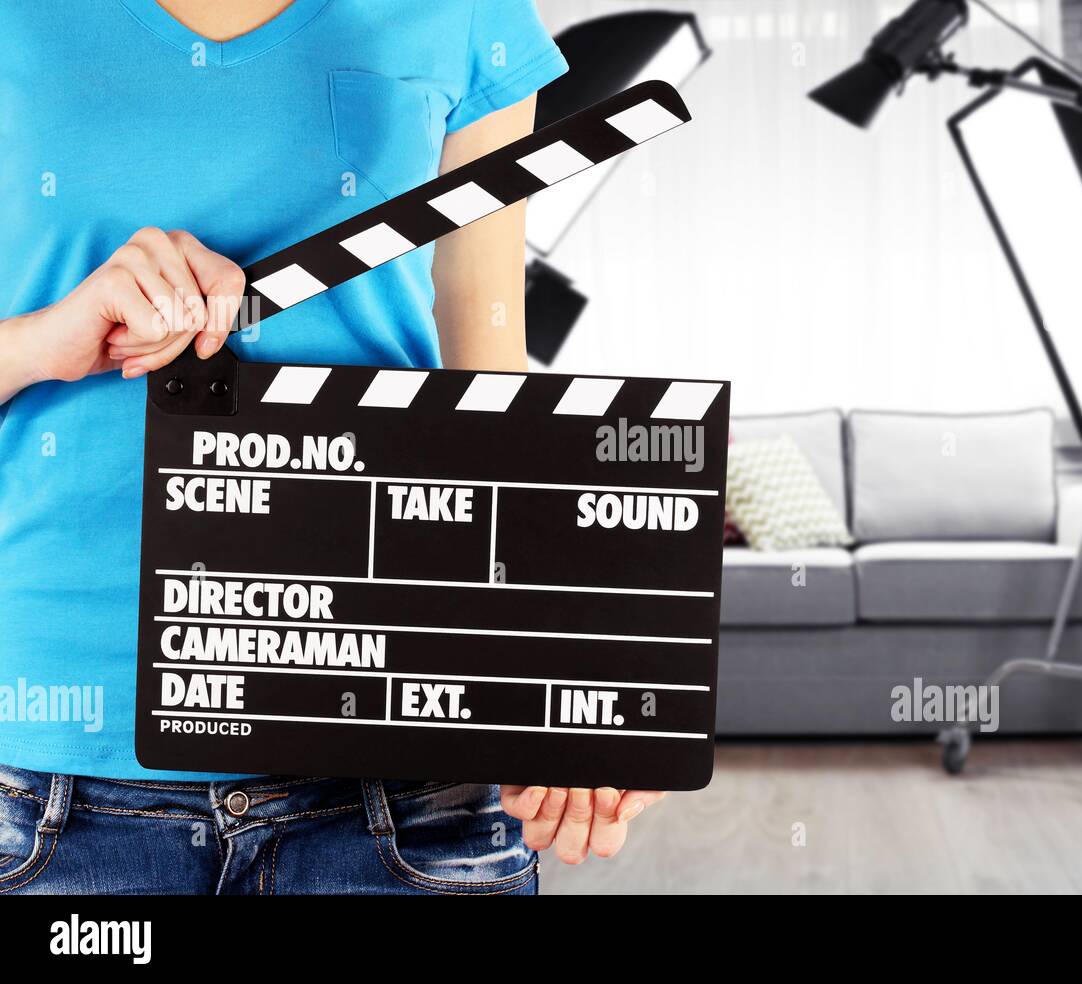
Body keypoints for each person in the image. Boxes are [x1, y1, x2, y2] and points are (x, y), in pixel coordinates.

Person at [0, 0, 663, 895]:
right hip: (51, 767)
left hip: (398, 756)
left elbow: (492, 364)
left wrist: (576, 675)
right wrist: (47, 337)